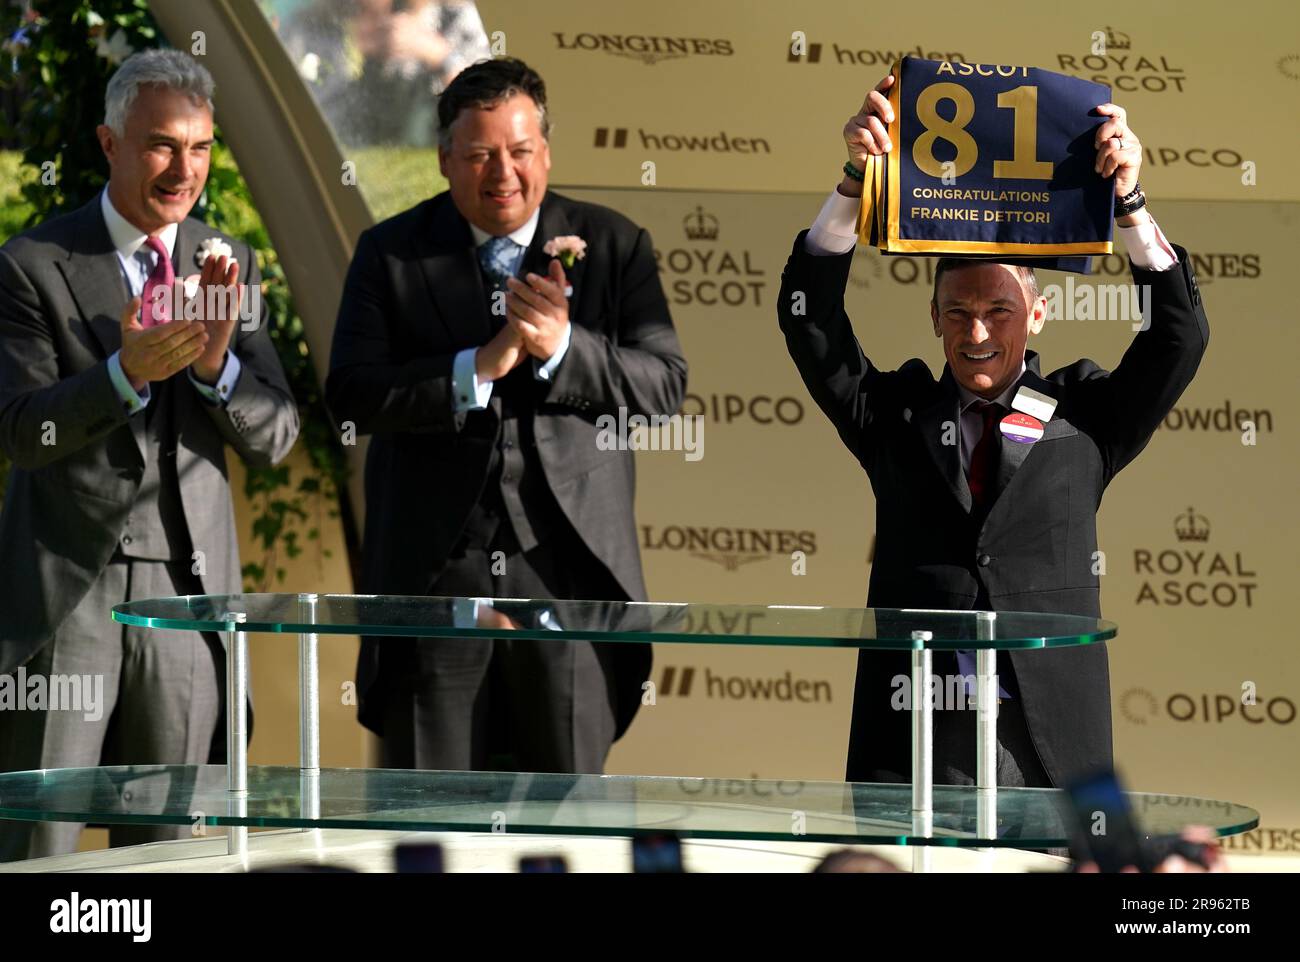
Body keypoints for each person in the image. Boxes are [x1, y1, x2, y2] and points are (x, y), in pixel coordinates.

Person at [778, 74, 1208, 788]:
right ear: (934, 317)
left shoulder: (1086, 416)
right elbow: (808, 321)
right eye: (957, 313)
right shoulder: (893, 415)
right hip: (915, 732)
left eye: (999, 311)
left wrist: (1128, 203)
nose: (976, 333)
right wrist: (855, 183)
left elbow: (1180, 338)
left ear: (1038, 315)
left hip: (1053, 747)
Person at [327, 57, 686, 774]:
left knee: (567, 816)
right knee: (426, 818)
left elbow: (664, 385)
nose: (503, 174)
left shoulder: (613, 244)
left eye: (520, 152)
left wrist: (562, 348)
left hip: (568, 576)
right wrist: (475, 369)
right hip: (434, 578)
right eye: (481, 155)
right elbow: (353, 394)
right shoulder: (390, 253)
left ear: (546, 153)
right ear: (443, 159)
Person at [0, 49, 299, 860]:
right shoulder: (33, 267)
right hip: (69, 601)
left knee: (175, 853)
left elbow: (275, 433)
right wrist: (123, 373)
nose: (184, 169)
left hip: (189, 604)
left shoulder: (229, 265)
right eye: (163, 145)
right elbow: (22, 432)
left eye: (200, 149)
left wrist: (216, 369)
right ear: (110, 142)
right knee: (40, 848)